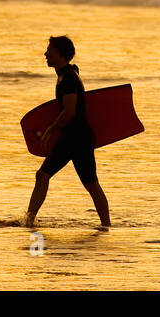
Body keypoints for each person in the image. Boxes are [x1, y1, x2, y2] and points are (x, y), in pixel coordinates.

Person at [24, 35, 111, 228]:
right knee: (85, 183)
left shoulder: (68, 79)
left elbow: (69, 111)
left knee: (86, 183)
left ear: (61, 54)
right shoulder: (69, 73)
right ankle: (106, 226)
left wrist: (49, 130)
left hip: (76, 138)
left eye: (50, 51)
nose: (45, 54)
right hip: (76, 137)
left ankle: (29, 221)